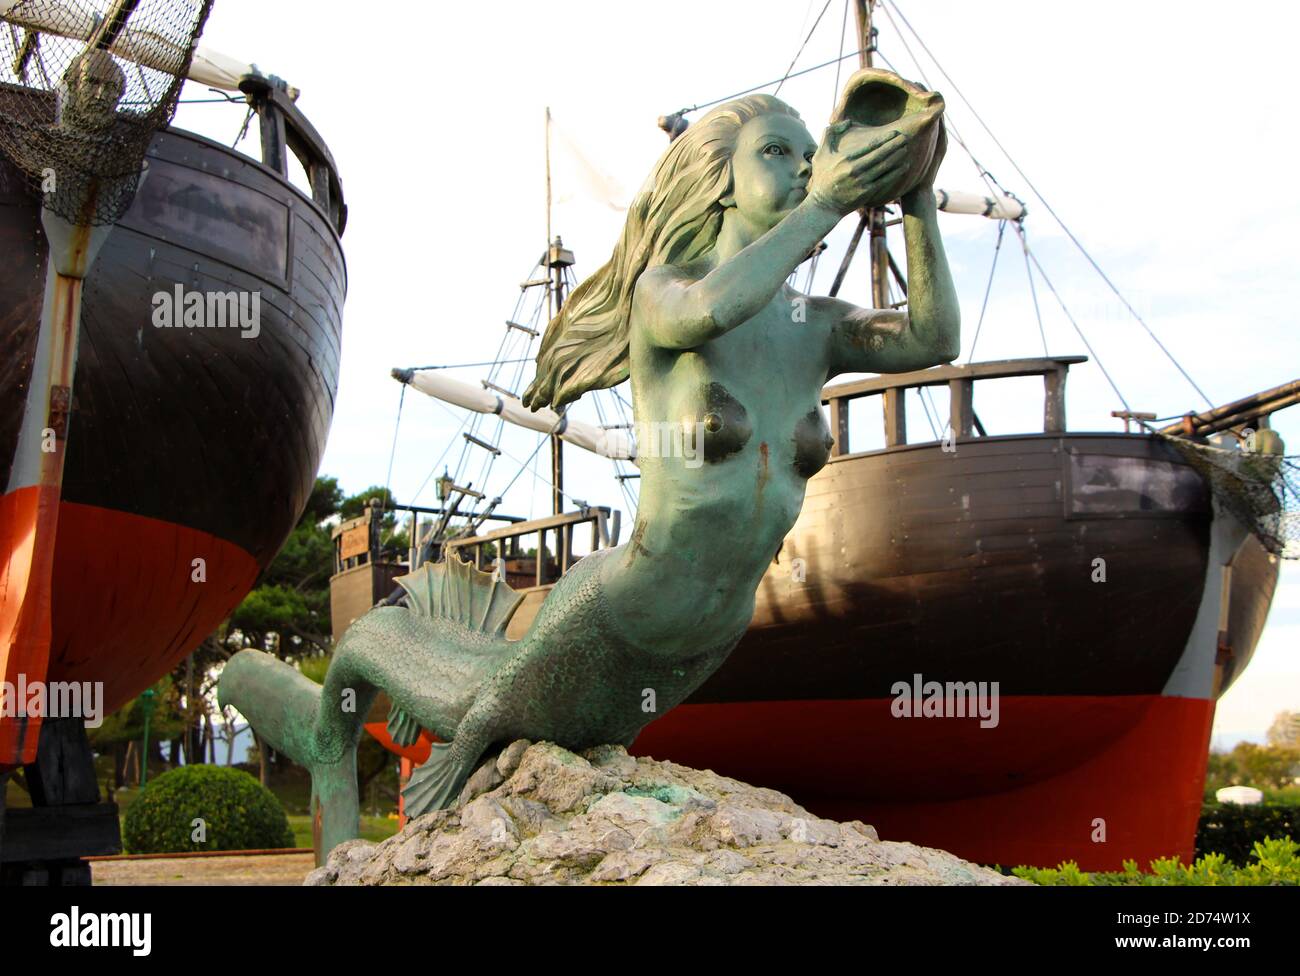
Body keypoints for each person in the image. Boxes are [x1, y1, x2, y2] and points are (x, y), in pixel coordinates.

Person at [219, 80, 960, 855]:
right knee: (468, 699)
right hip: (614, 614)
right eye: (778, 152)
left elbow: (932, 338)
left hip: (705, 640)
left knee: (548, 737)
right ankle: (325, 731)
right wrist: (828, 204)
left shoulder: (817, 329)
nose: (806, 168)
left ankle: (361, 720)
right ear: (718, 182)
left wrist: (917, 197)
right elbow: (709, 311)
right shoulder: (662, 294)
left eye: (813, 156)